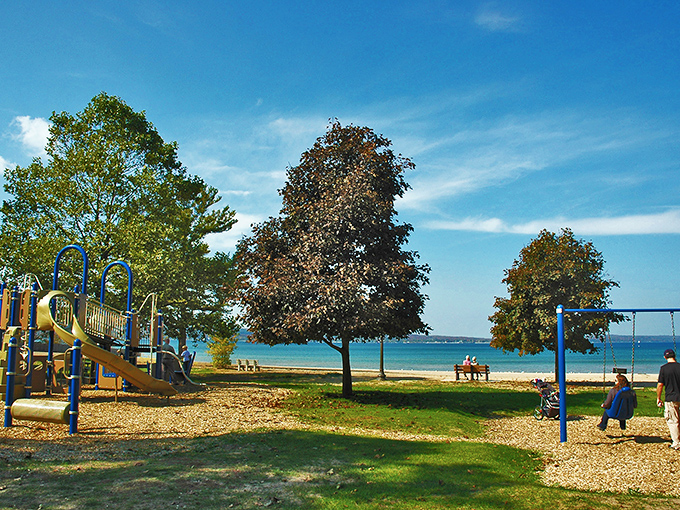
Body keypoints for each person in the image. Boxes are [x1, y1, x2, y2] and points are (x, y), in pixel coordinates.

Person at [657, 349, 680, 450]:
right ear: (674, 356)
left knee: (673, 420)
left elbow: (660, 385)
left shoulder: (664, 369)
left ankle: (676, 443)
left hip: (671, 397)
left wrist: (658, 398)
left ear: (665, 357)